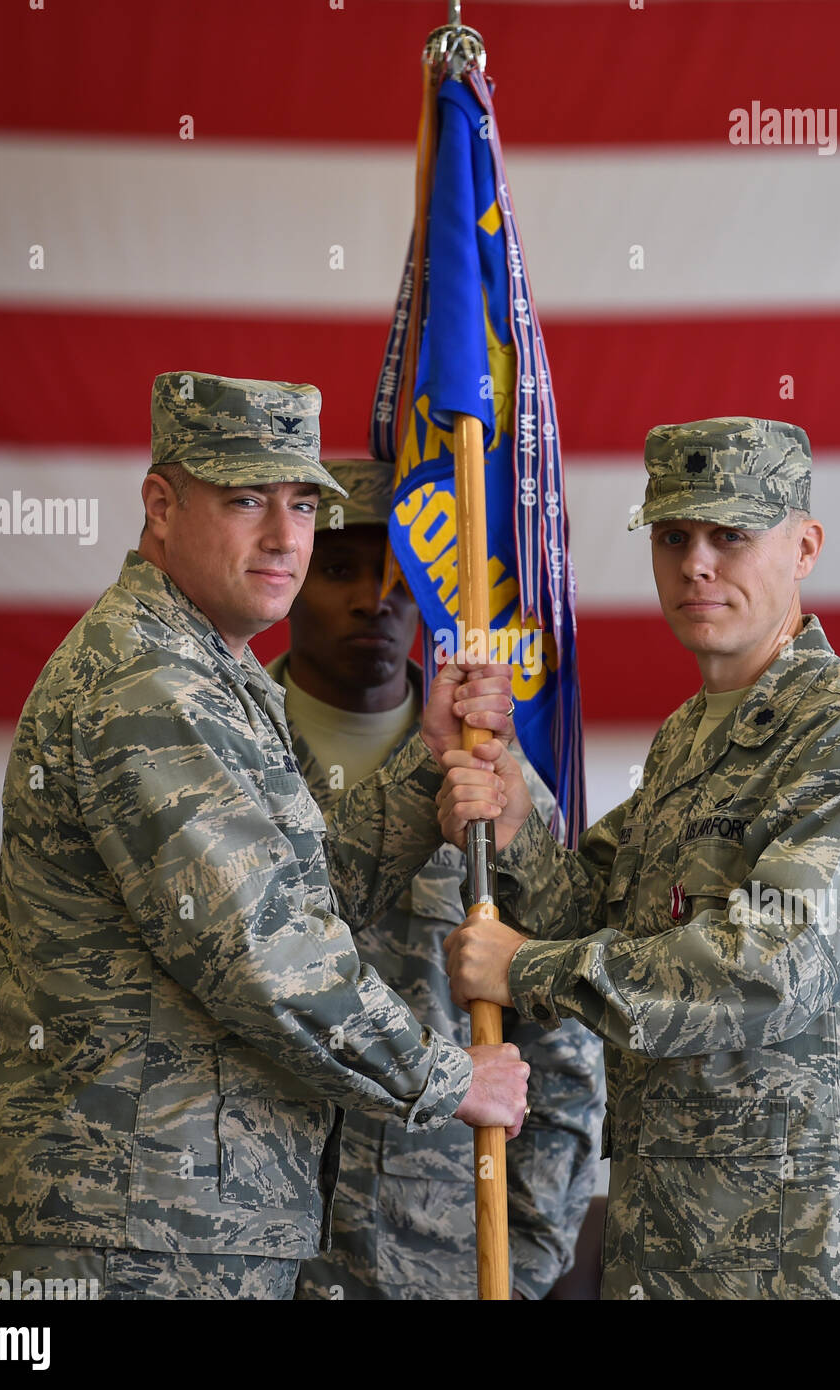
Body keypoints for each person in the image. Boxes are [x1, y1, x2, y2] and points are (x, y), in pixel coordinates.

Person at [0, 371, 528, 1301]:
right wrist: (444, 1079)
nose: (284, 538)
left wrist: (428, 766)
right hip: (138, 1229)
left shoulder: (208, 670)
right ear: (161, 503)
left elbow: (297, 895)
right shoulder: (151, 684)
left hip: (178, 1218)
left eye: (303, 504)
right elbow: (267, 955)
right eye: (244, 501)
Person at [438, 418, 840, 1300]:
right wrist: (518, 813)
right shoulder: (687, 737)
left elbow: (771, 968)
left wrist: (533, 974)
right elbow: (601, 909)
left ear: (805, 546)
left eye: (731, 536)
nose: (696, 564)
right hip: (666, 1237)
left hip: (795, 1247)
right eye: (674, 536)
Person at [265, 458, 604, 1301]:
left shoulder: (496, 786)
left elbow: (561, 1044)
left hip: (445, 1256)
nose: (373, 599)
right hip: (255, 1256)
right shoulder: (231, 761)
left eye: (401, 576)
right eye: (340, 568)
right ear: (292, 569)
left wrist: (526, 1256)